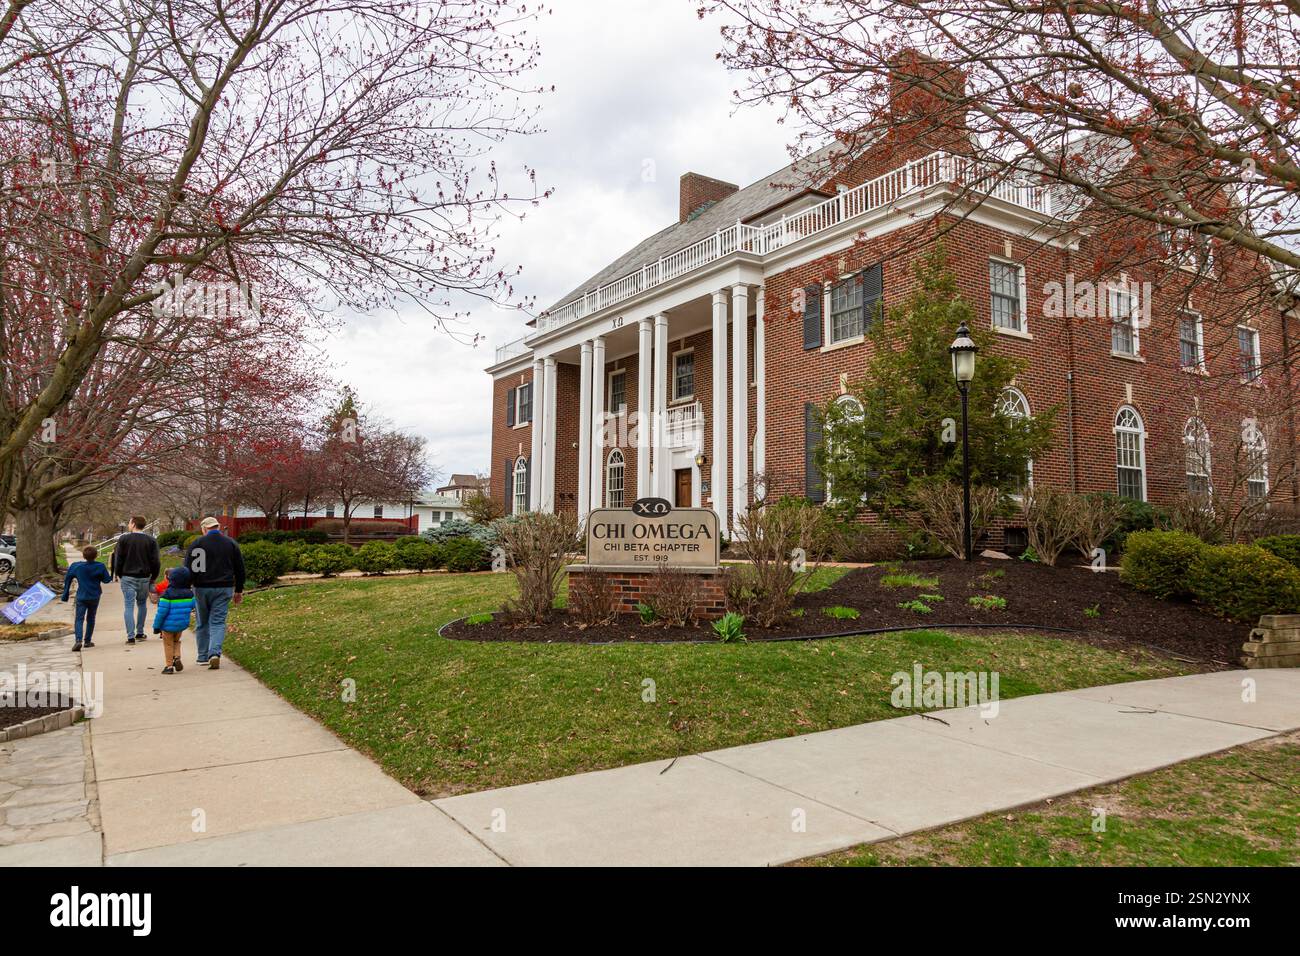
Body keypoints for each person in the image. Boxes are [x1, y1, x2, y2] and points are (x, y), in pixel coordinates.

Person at [182, 516, 245, 669]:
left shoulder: (197, 544)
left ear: (204, 529)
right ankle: (214, 653)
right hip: (224, 587)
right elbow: (240, 569)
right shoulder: (230, 543)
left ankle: (202, 656)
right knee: (217, 621)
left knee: (202, 622)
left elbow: (189, 569)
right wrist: (238, 590)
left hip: (201, 588)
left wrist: (188, 586)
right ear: (218, 527)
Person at [111, 515, 161, 645]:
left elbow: (119, 559)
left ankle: (130, 636)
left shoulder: (124, 539)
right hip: (144, 577)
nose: (128, 524)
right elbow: (155, 561)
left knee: (128, 606)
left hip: (127, 576)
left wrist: (119, 573)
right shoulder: (151, 540)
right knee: (142, 604)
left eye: (129, 522)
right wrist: (153, 576)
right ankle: (140, 631)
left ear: (133, 524)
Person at [61, 545, 112, 652]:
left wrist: (65, 595)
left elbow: (68, 579)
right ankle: (87, 641)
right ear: (96, 555)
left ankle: (78, 640)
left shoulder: (76, 566)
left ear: (83, 556)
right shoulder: (100, 566)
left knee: (79, 618)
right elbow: (107, 580)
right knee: (91, 618)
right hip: (94, 596)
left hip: (81, 596)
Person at [151, 566, 194, 674]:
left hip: (167, 626)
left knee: (168, 644)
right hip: (181, 624)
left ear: (172, 579)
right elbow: (193, 606)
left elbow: (161, 613)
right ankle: (177, 657)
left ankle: (169, 666)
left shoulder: (167, 594)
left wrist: (156, 626)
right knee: (176, 641)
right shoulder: (189, 593)